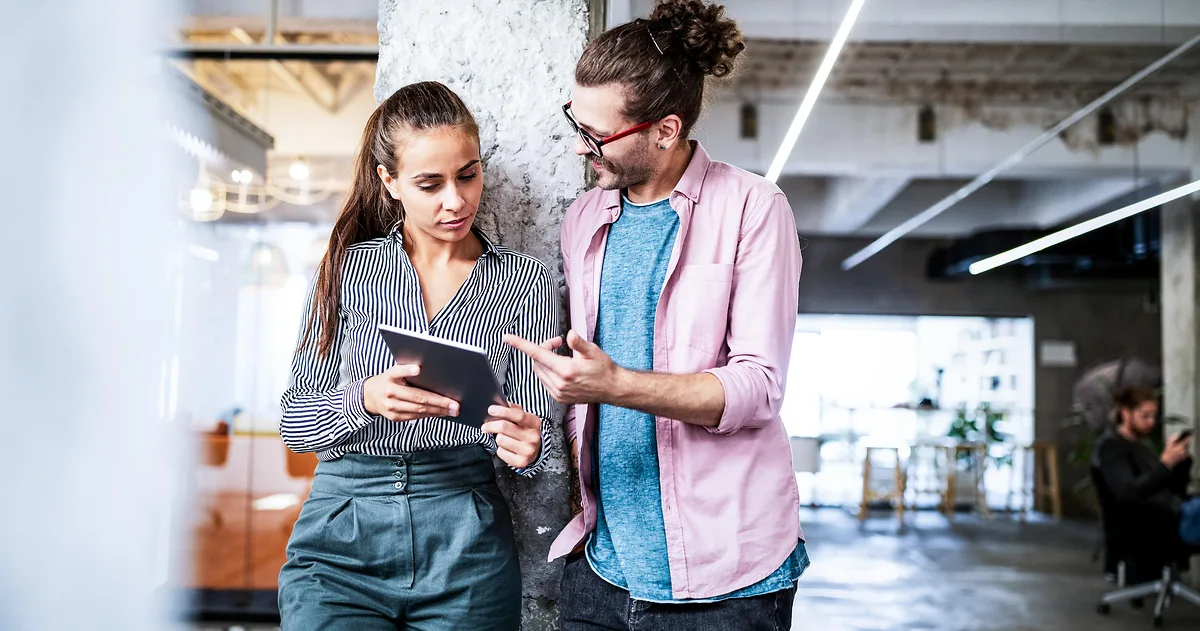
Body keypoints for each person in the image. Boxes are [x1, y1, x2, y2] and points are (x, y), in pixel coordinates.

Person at [504, 1, 807, 628]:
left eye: (599, 133)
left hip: (729, 582)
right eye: (575, 120)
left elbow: (757, 389)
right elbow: (589, 371)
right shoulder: (585, 218)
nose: (582, 146)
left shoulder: (753, 208)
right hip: (602, 568)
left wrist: (615, 385)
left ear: (665, 131)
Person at [277, 81, 559, 631]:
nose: (455, 200)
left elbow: (532, 433)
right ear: (390, 182)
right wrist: (363, 400)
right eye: (429, 184)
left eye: (468, 174)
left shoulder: (523, 278)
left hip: (465, 540)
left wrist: (531, 444)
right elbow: (293, 422)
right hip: (341, 536)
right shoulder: (344, 271)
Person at [1093, 387, 1196, 581]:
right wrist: (1165, 463)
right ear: (1125, 413)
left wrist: (1179, 463)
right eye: (1144, 416)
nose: (1151, 422)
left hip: (1168, 514)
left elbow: (1170, 489)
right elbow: (1129, 492)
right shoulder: (1111, 449)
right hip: (1142, 526)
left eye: (1153, 416)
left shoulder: (1141, 447)